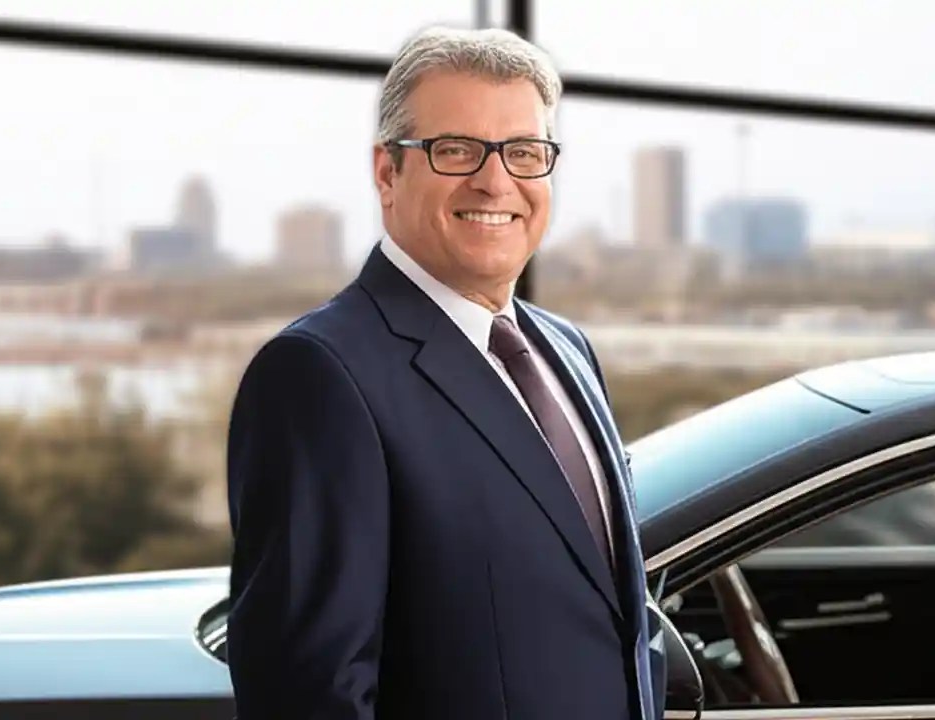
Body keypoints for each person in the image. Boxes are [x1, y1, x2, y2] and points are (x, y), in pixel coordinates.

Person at [226, 25, 657, 720]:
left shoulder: (568, 350)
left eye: (524, 152)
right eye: (456, 150)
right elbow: (305, 695)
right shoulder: (320, 377)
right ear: (387, 172)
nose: (496, 181)